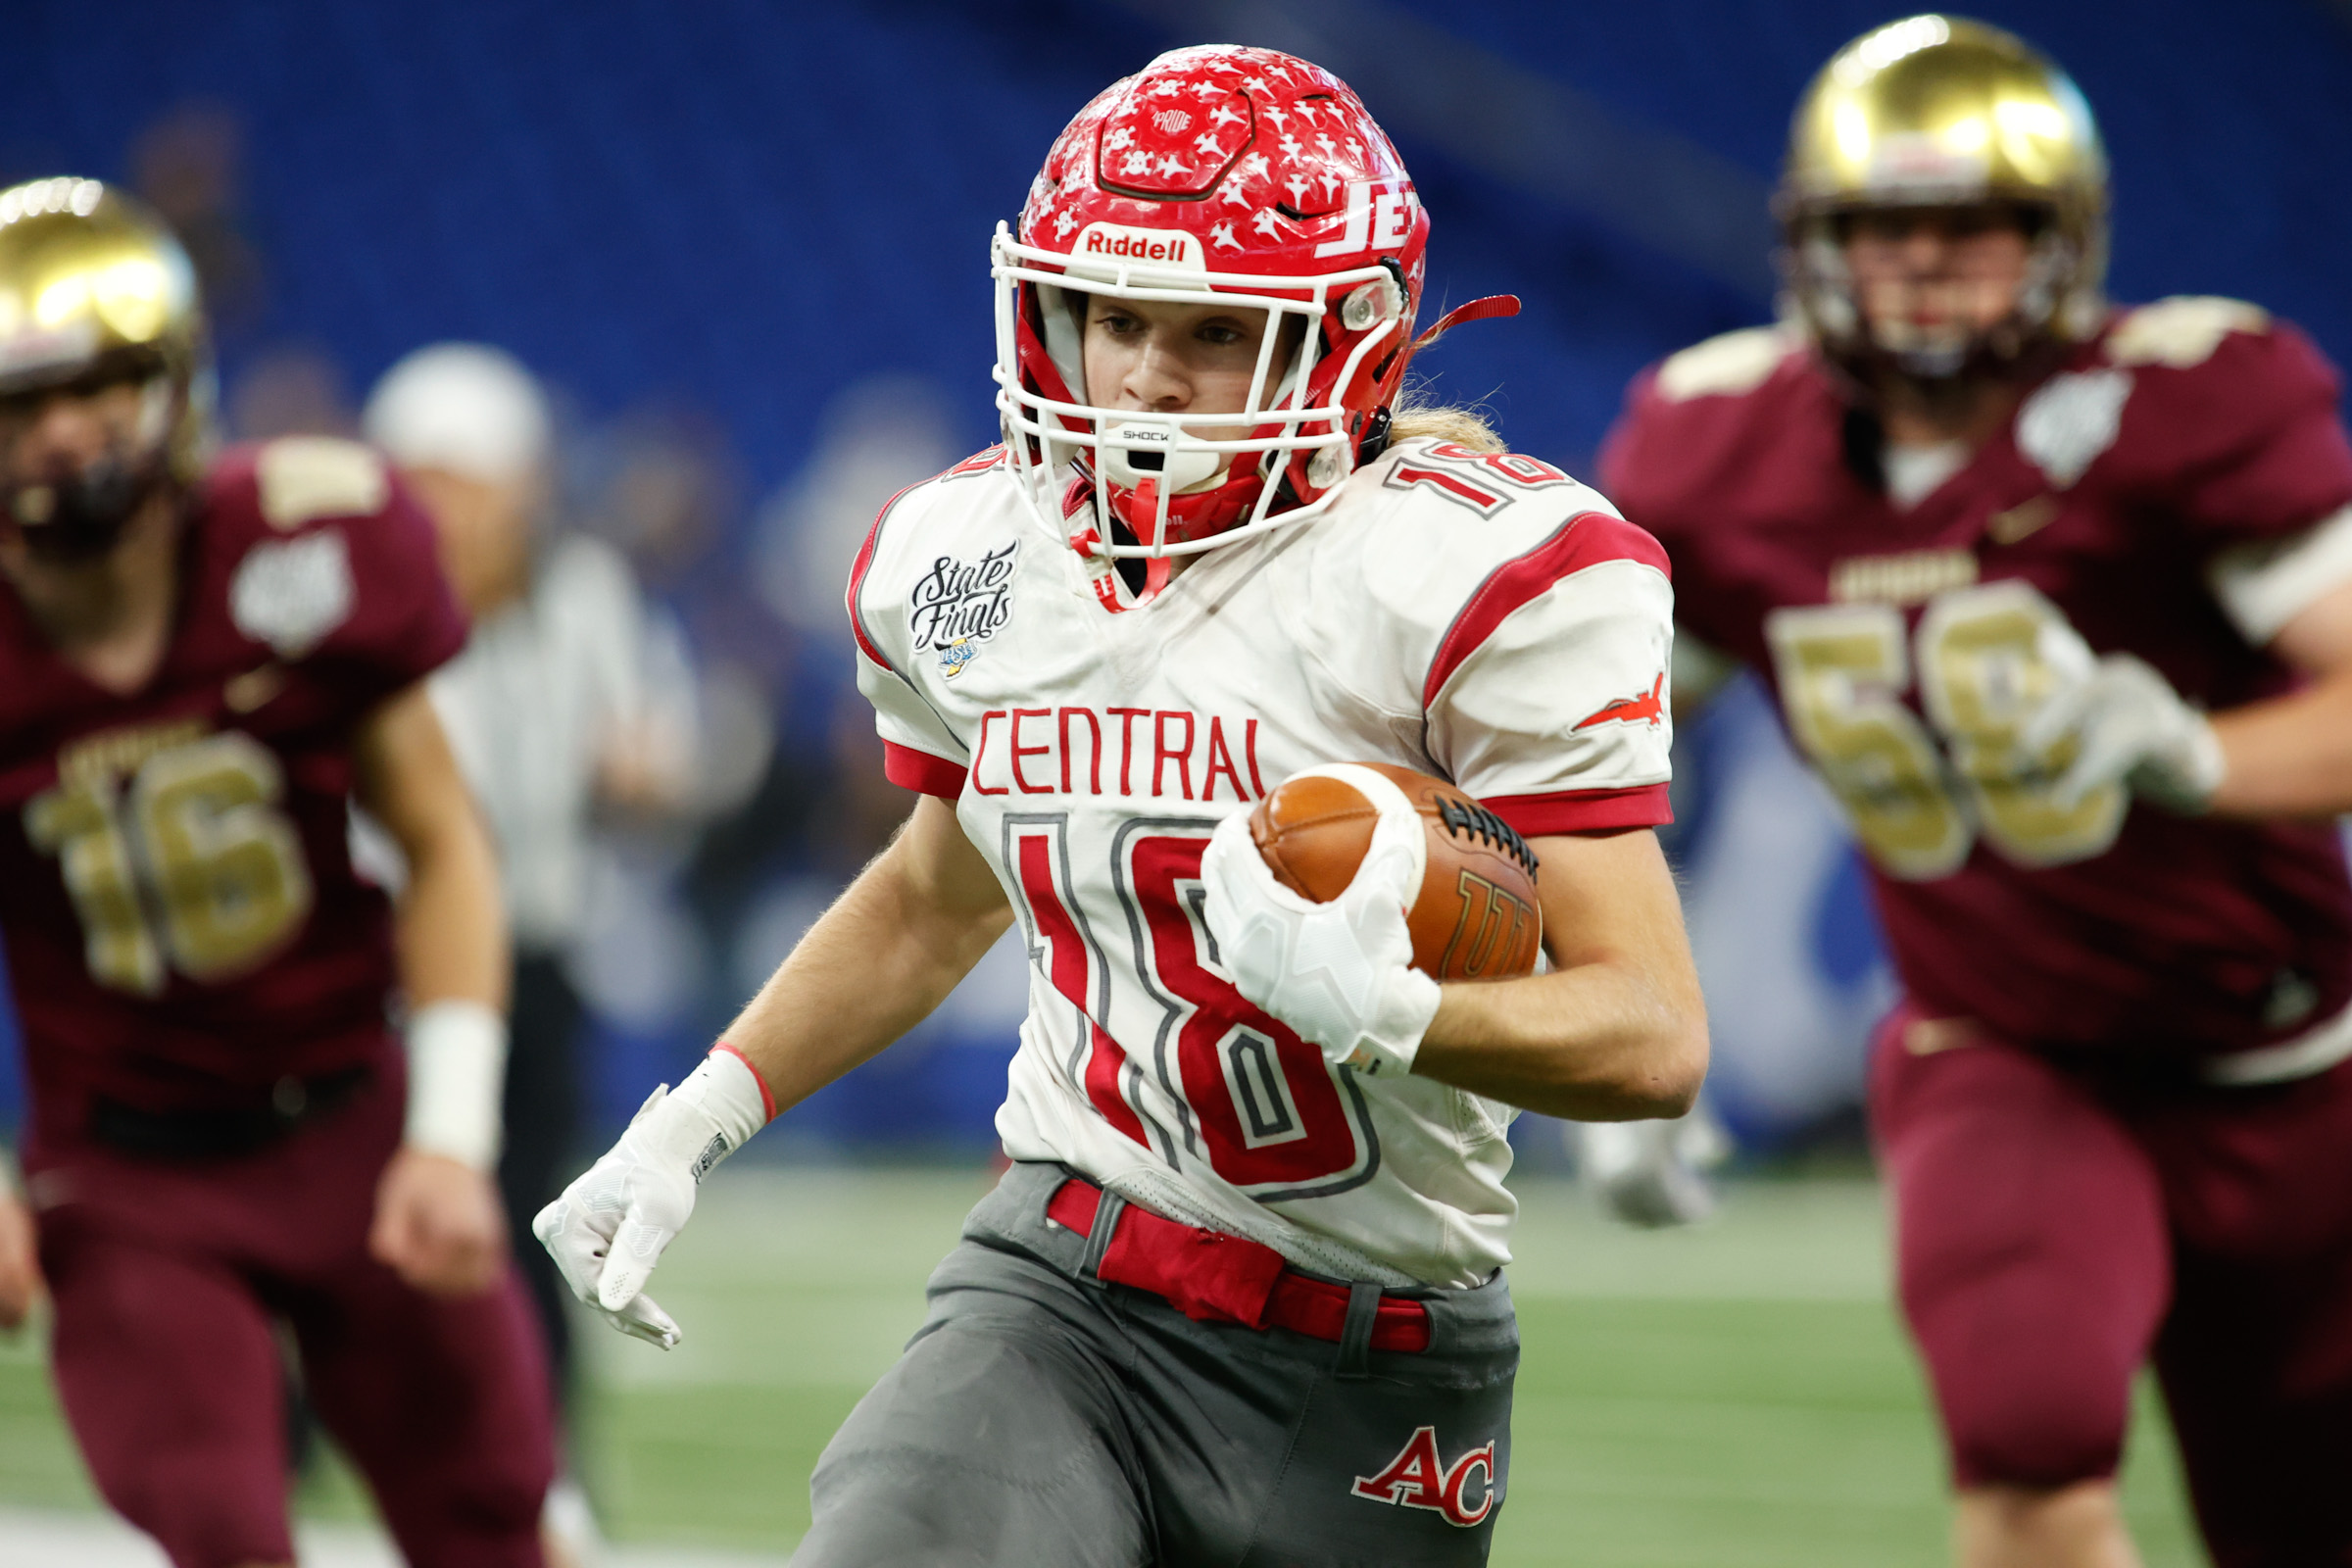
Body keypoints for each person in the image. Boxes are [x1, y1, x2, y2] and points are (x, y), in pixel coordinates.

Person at [535, 43, 1706, 1568]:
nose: (1145, 375)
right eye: (1111, 317)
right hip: (1064, 1289)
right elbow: (937, 891)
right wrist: (690, 1123)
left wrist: (1397, 1012)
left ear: (1355, 343)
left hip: (1384, 1360)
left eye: (1214, 329)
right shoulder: (970, 560)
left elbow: (1653, 1028)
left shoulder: (1464, 576)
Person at [1600, 18, 2352, 1568]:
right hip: (2003, 1046)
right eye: (1885, 230)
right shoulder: (1717, 446)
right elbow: (1580, 759)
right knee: (2025, 1443)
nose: (1925, 268)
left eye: (1972, 230)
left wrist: (2200, 756)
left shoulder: (2184, 404)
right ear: (1817, 243)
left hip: (2293, 1052)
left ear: (2059, 243)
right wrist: (1602, 1029)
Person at [0, 179, 556, 1568]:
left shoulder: (308, 542)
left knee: (494, 1520)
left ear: (179, 385)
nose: (64, 433)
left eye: (102, 386)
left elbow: (439, 838)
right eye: (23, 402)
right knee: (221, 1526)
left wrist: (449, 1134)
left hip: (349, 1115)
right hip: (127, 1172)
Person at [362, 341, 692, 1433]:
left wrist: (644, 771)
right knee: (354, 1220)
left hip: (535, 956)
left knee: (534, 1211)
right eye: (433, 486)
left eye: (473, 486)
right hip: (378, 960)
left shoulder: (582, 596)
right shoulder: (355, 608)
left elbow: (662, 750)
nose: (457, 515)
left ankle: (538, 1444)